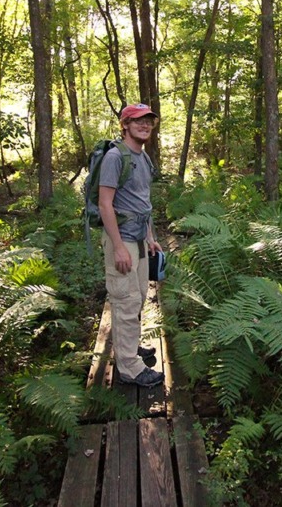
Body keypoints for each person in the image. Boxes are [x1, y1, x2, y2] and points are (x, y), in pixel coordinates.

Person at [99, 103, 164, 388]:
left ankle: (130, 347)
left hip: (138, 238)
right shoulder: (115, 157)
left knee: (137, 296)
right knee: (125, 301)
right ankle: (129, 368)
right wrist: (118, 247)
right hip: (122, 239)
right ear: (125, 124)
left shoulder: (143, 157)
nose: (145, 125)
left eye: (148, 120)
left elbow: (142, 204)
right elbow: (105, 203)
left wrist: (149, 237)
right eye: (138, 121)